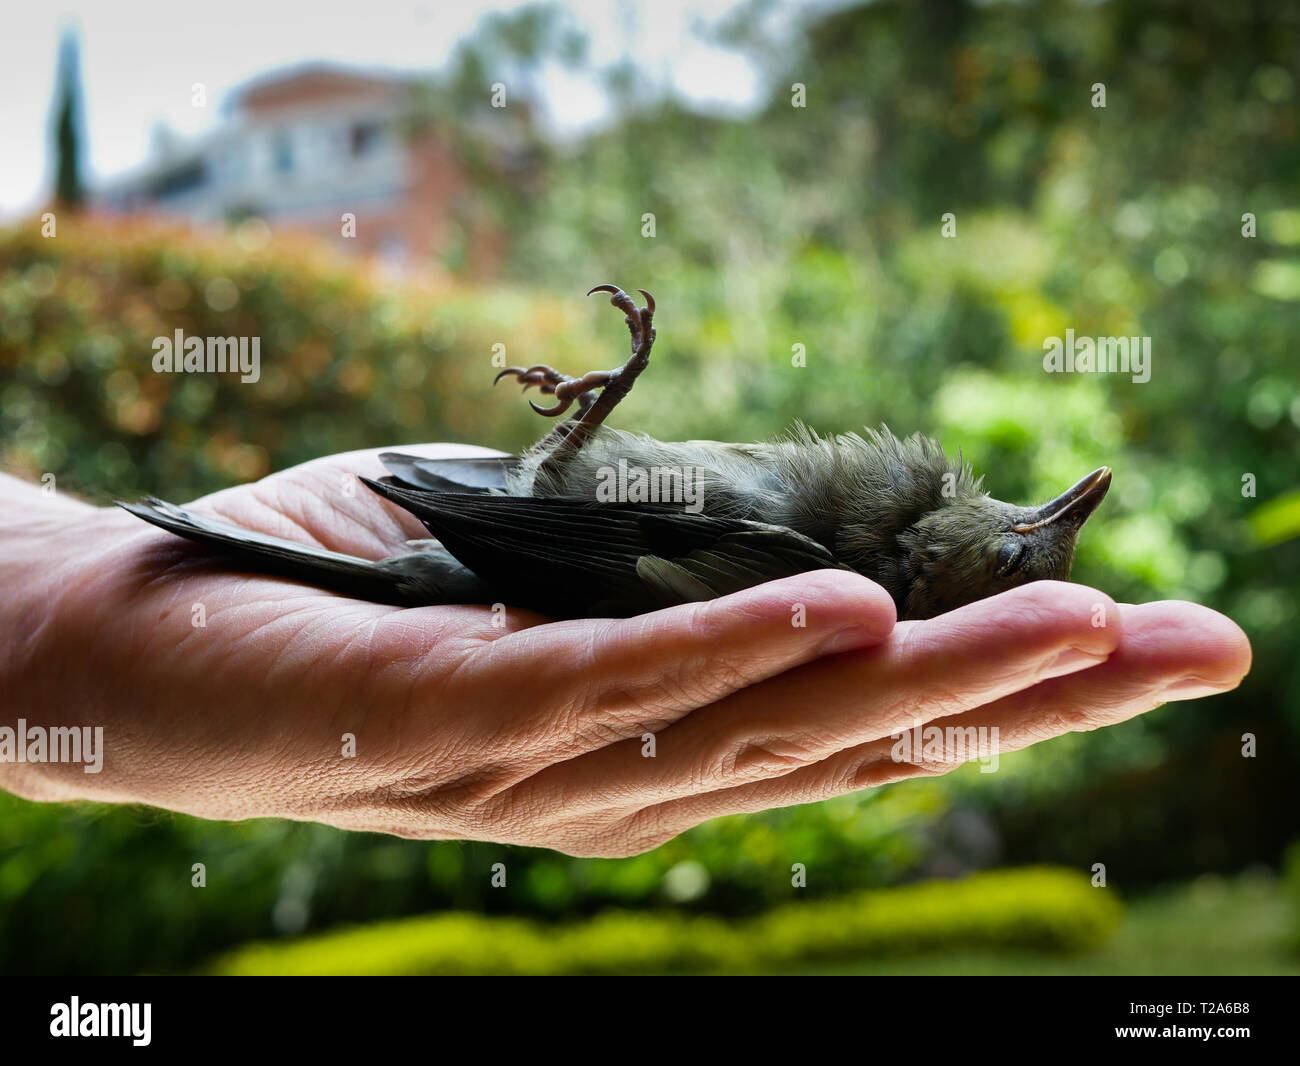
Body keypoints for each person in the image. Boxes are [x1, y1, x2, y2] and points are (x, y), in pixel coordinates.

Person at [0, 444, 1251, 857]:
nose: (1042, 519)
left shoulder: (831, 571)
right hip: (505, 544)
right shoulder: (871, 517)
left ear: (956, 574)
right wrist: (44, 601)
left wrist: (55, 607)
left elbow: (606, 548)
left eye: (1028, 549)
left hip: (511, 557)